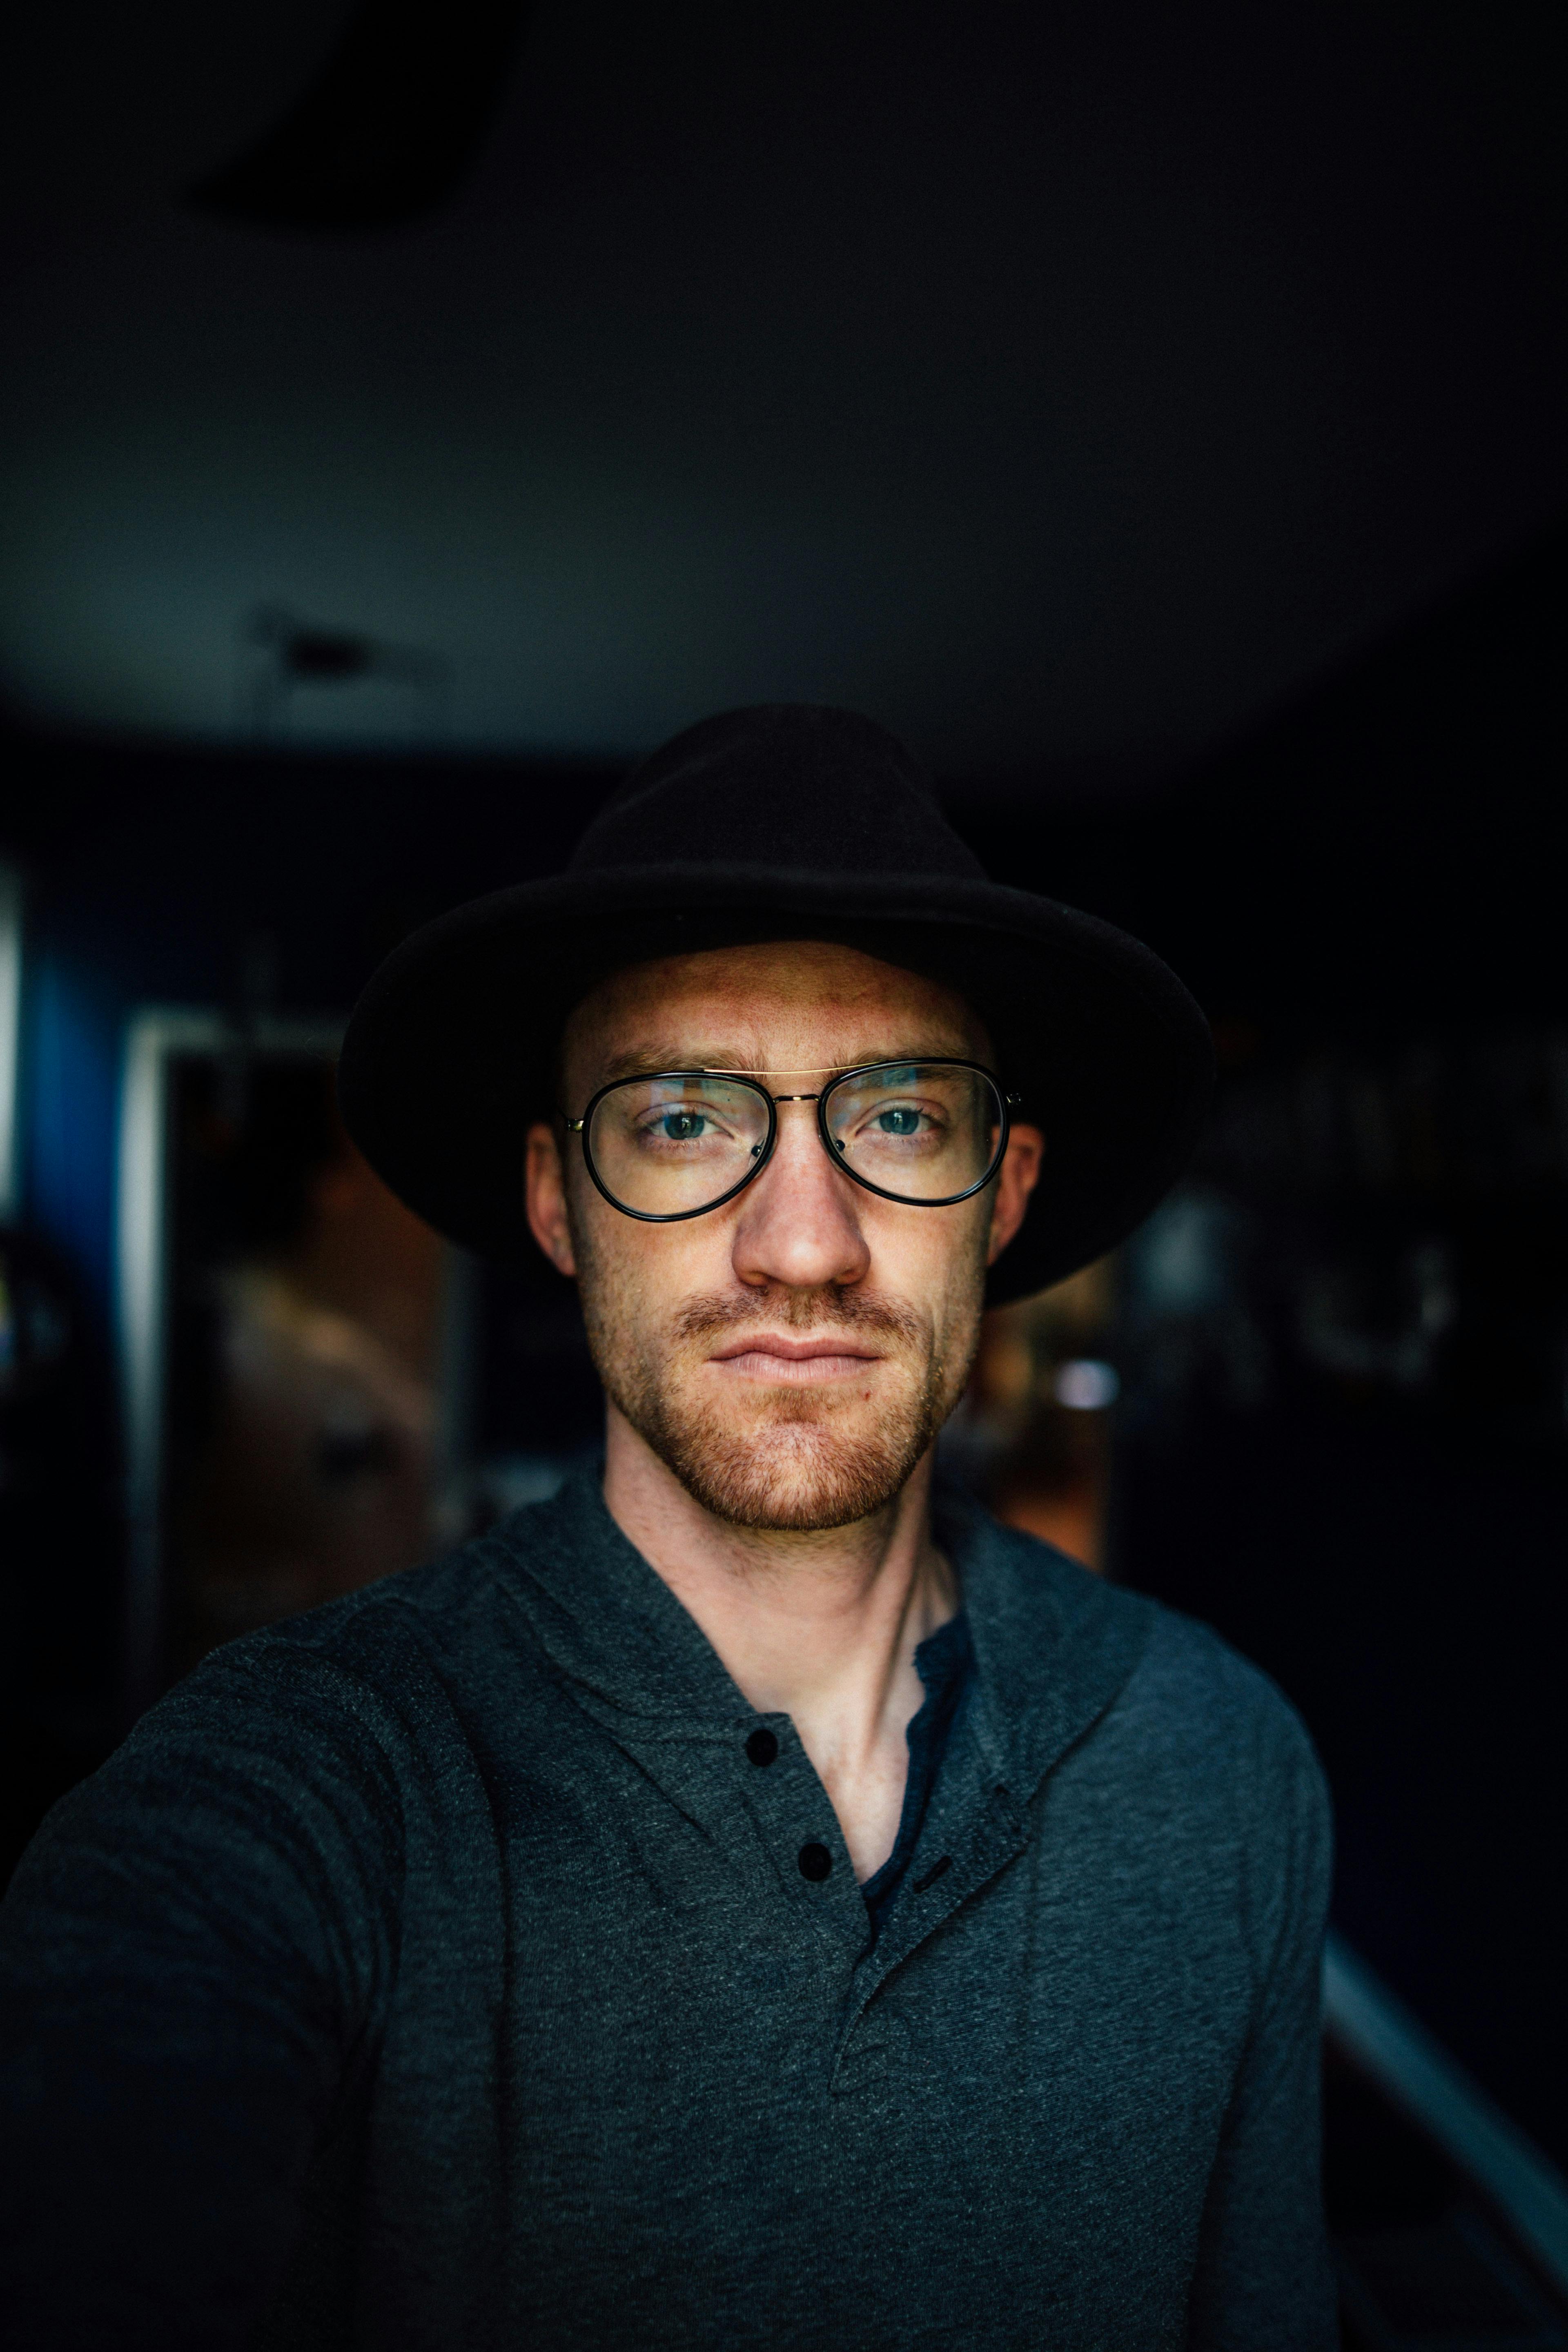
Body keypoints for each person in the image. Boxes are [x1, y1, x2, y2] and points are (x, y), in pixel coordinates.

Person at [0, 707, 1335, 2350]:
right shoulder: (310, 1794)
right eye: (686, 1120)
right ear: (560, 1202)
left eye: (901, 1117)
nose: (804, 1244)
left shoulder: (1225, 1763)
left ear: (1006, 1190)